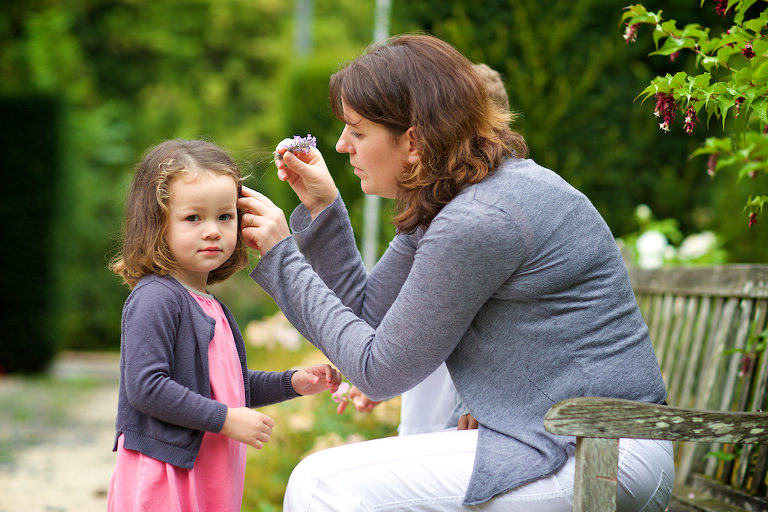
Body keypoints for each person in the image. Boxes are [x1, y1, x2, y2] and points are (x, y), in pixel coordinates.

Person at [239, 34, 674, 511]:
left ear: (414, 139)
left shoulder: (480, 218)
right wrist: (323, 208)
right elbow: (368, 318)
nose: (342, 146)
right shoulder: (454, 199)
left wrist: (283, 255)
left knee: (323, 484)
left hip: (602, 451)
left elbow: (378, 371)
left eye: (358, 131)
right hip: (555, 439)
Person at [106, 139, 341, 512]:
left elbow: (223, 385)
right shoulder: (156, 298)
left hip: (207, 469)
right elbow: (146, 387)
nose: (213, 230)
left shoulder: (210, 304)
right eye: (193, 217)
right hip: (167, 474)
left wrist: (291, 382)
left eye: (225, 216)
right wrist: (226, 419)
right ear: (157, 223)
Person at [340, 62, 512, 436]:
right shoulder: (431, 212)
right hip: (434, 389)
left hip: (468, 406)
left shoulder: (478, 217)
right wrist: (385, 379)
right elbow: (375, 313)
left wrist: (475, 402)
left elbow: (502, 330)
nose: (343, 144)